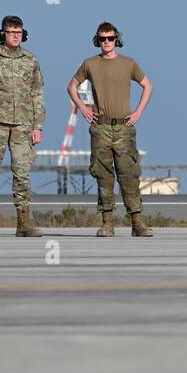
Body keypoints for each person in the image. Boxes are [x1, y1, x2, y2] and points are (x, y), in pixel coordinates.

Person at [67, 22, 154, 237]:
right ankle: (107, 223)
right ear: (97, 40)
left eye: (111, 38)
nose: (107, 42)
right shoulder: (90, 64)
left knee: (129, 175)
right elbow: (71, 87)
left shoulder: (129, 63)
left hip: (124, 127)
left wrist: (138, 112)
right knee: (103, 176)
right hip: (101, 127)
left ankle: (137, 222)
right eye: (103, 38)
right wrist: (83, 109)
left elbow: (148, 86)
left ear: (117, 39)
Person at [0, 15, 45, 238]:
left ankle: (24, 223)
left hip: (23, 125)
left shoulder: (30, 60)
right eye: (11, 32)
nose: (15, 36)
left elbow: (37, 94)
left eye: (19, 32)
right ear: (3, 33)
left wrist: (38, 125)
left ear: (24, 34)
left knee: (22, 174)